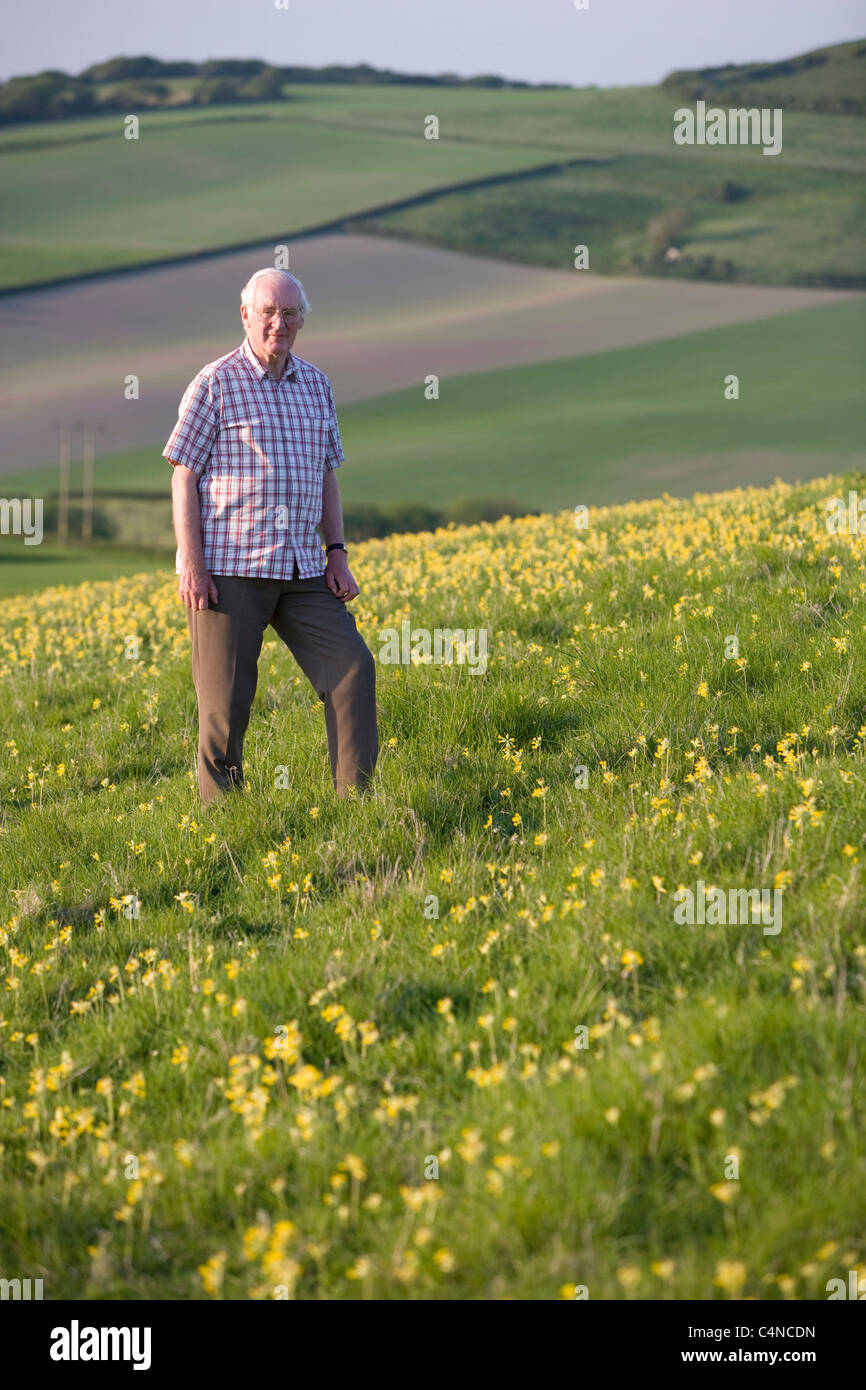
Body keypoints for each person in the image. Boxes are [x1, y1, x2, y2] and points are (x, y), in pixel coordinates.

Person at [164, 267, 378, 807]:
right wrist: (191, 563)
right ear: (246, 316)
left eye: (288, 313)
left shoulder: (317, 384)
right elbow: (183, 474)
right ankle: (225, 827)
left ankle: (356, 807)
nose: (277, 322)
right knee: (226, 707)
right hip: (230, 572)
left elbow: (327, 472)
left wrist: (336, 554)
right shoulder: (214, 382)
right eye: (267, 311)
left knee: (353, 670)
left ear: (302, 320)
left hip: (304, 569)